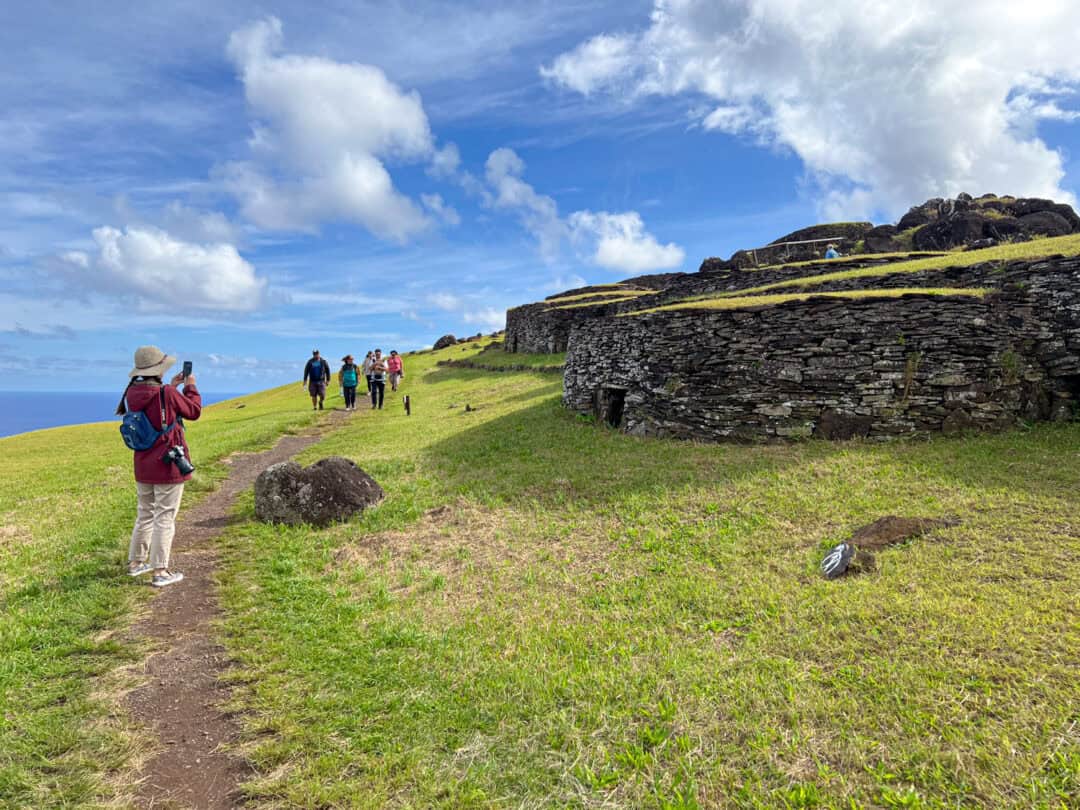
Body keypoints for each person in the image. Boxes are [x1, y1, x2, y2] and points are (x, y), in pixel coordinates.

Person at [117, 346, 201, 588]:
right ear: (159, 369)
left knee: (145, 513)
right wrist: (190, 386)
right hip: (167, 464)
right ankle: (160, 571)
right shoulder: (165, 393)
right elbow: (194, 411)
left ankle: (136, 563)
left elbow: (154, 411)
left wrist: (172, 388)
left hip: (143, 463)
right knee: (165, 516)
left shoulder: (132, 392)